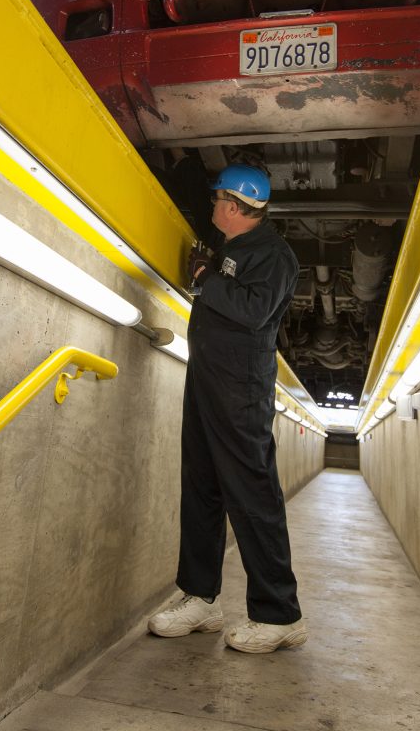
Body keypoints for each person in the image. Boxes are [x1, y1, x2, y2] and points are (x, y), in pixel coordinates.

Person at [148, 159, 307, 653]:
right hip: (207, 379)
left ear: (235, 207)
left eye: (218, 199)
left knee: (252, 495)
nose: (212, 204)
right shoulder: (231, 248)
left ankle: (279, 615)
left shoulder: (274, 255)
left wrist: (205, 279)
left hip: (240, 388)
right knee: (201, 488)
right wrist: (208, 271)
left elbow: (256, 312)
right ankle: (201, 598)